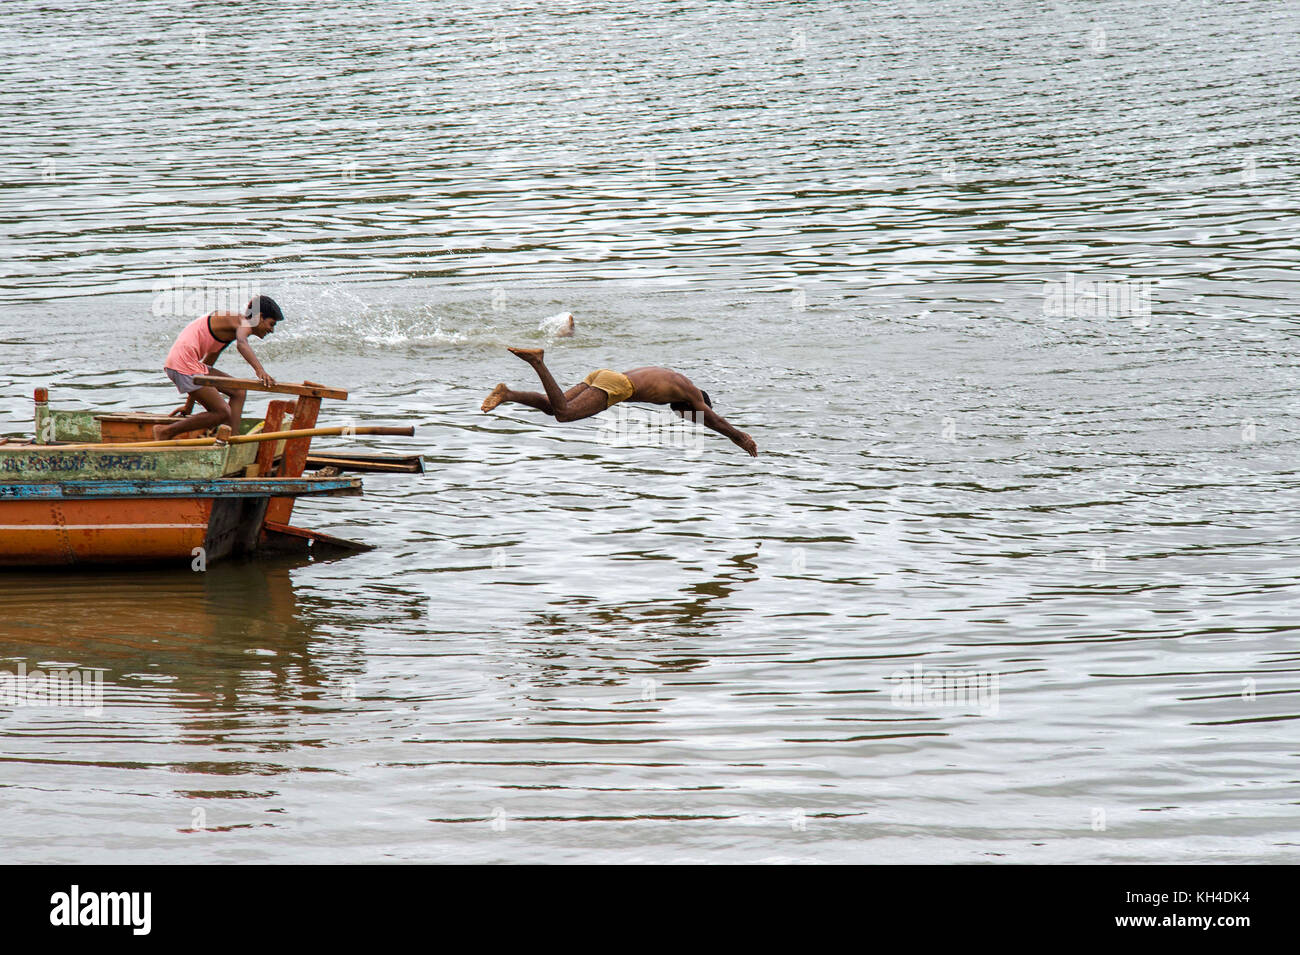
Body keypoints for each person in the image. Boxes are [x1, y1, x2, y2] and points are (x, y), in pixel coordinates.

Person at [481, 347, 758, 456]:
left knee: (553, 405)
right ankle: (538, 362)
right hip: (618, 385)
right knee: (564, 415)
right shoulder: (692, 395)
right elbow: (715, 421)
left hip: (604, 374)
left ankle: (507, 394)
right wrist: (740, 438)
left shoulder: (678, 379)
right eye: (683, 414)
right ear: (693, 405)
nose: (682, 416)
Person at [153, 295, 282, 441]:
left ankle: (229, 439)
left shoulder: (230, 328)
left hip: (188, 364)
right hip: (181, 364)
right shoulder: (243, 322)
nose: (271, 330)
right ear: (259, 317)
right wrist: (260, 371)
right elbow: (242, 343)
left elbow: (208, 364)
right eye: (271, 324)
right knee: (222, 412)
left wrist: (189, 405)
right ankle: (165, 432)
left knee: (238, 390)